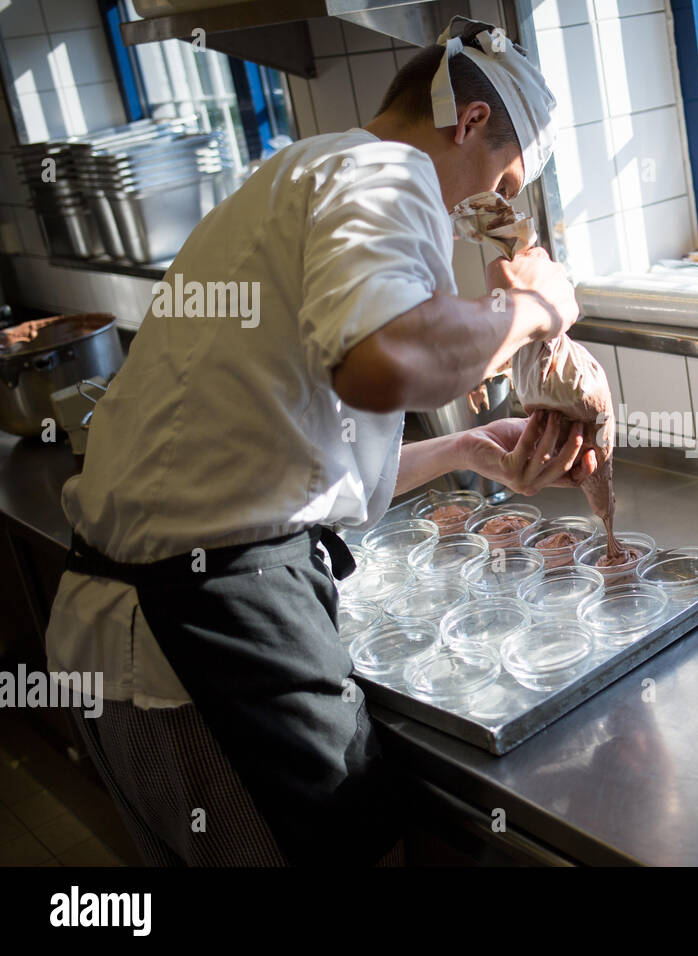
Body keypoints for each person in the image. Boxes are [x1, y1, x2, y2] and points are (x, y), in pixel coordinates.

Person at [43, 17, 590, 866]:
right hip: (195, 644)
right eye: (502, 179)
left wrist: (464, 451)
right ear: (471, 122)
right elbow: (382, 364)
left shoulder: (307, 171)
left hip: (147, 633)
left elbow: (288, 461)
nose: (489, 207)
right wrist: (532, 309)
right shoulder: (383, 170)